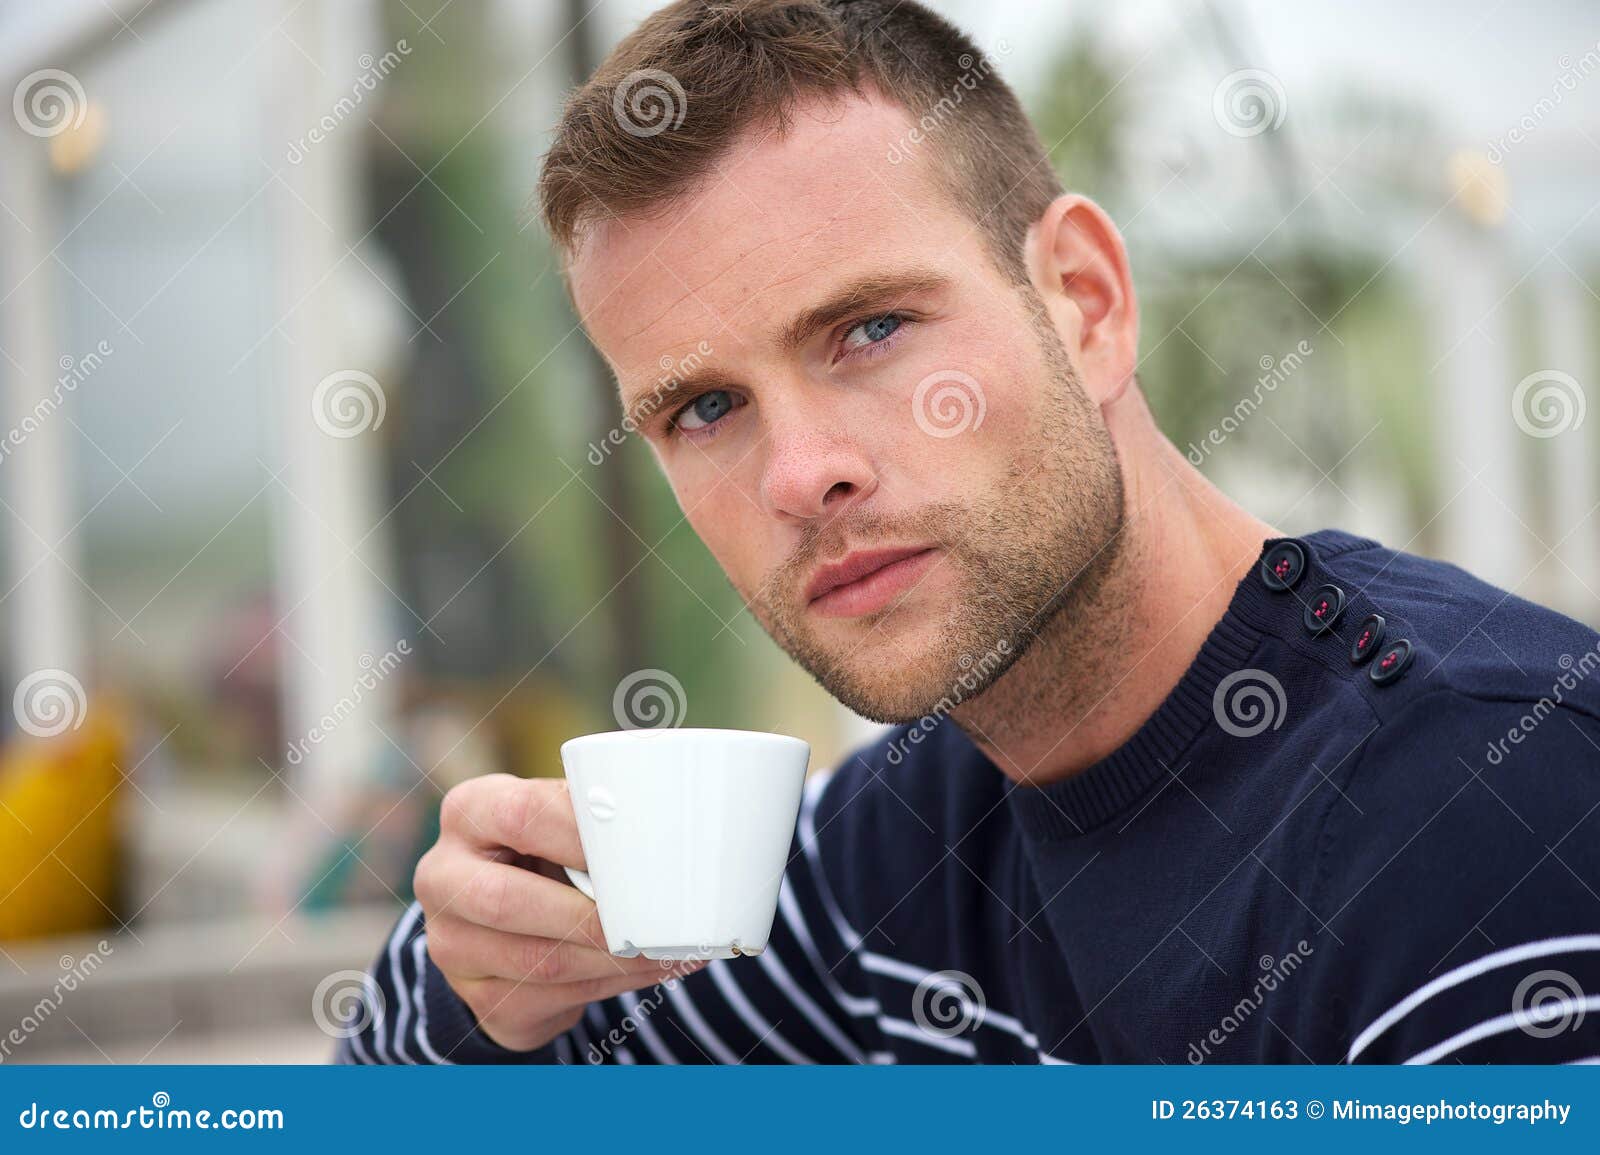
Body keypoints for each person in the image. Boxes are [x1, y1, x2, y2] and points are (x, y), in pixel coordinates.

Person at [341, 0, 1600, 1064]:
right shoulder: (891, 848)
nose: (800, 475)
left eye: (872, 329)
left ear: (1089, 305)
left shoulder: (1483, 804)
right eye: (705, 407)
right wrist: (480, 984)